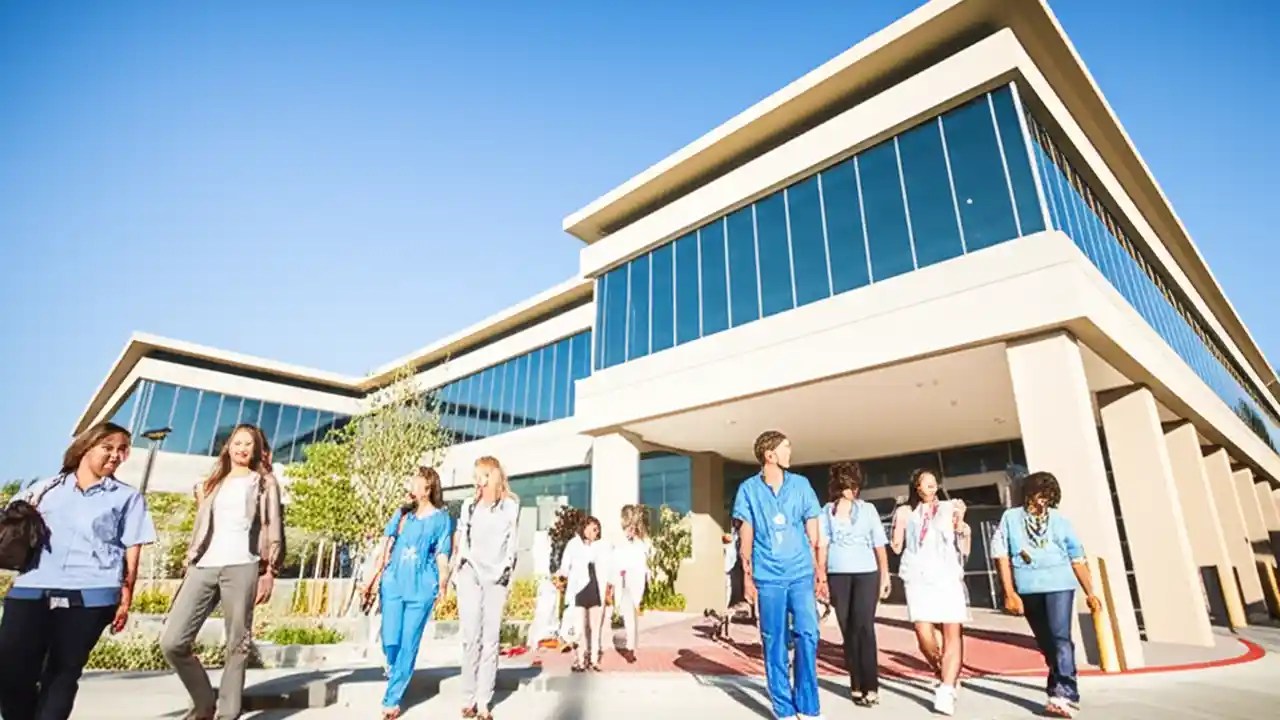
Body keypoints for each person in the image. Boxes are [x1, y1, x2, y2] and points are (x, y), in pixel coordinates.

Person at [0, 422, 157, 720]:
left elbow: (132, 547)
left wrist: (126, 594)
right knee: (10, 669)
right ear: (86, 447)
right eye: (107, 447)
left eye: (122, 449)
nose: (115, 455)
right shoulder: (45, 488)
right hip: (32, 587)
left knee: (61, 673)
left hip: (91, 594)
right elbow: (11, 523)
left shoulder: (127, 498)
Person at [161, 423, 284, 720]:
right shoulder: (213, 483)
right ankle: (204, 702)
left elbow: (273, 527)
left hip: (242, 565)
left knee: (237, 644)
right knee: (172, 641)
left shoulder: (264, 482)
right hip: (204, 565)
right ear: (228, 446)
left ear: (256, 450)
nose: (242, 449)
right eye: (237, 443)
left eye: (248, 444)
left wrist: (270, 571)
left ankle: (228, 714)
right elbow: (202, 527)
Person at [990, 471, 1101, 719]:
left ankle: (1064, 694)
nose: (1043, 501)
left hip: (1060, 583)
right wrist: (1009, 592)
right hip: (1028, 587)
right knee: (1047, 641)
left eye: (1049, 496)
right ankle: (1058, 687)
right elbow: (1001, 555)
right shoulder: (1011, 518)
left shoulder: (1061, 521)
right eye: (1039, 495)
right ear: (1028, 493)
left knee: (1061, 636)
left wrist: (1090, 592)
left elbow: (1077, 557)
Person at [732, 430, 824, 720]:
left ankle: (808, 706)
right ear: (769, 455)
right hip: (768, 575)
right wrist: (747, 577)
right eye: (785, 448)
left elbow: (814, 530)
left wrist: (819, 568)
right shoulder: (748, 490)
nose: (790, 452)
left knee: (808, 633)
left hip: (800, 573)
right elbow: (745, 533)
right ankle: (783, 708)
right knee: (774, 639)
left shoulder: (801, 485)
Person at [359, 466, 453, 720]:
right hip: (393, 583)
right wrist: (368, 580)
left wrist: (443, 579)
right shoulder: (402, 514)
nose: (410, 486)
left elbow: (443, 553)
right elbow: (384, 548)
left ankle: (392, 699)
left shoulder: (442, 519)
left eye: (416, 481)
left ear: (428, 487)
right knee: (391, 638)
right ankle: (394, 667)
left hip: (422, 586)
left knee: (409, 641)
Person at [890, 469, 971, 716]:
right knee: (923, 632)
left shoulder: (951, 507)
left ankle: (946, 689)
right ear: (916, 487)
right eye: (927, 484)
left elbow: (963, 541)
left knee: (951, 632)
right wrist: (894, 531)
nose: (932, 487)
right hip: (918, 576)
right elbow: (896, 546)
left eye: (934, 483)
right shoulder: (906, 512)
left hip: (947, 575)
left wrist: (962, 525)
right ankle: (942, 670)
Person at [817, 461, 890, 707]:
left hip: (866, 573)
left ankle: (872, 685)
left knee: (864, 627)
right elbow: (822, 546)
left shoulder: (867, 510)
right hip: (838, 574)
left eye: (855, 485)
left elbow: (879, 544)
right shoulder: (825, 511)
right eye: (847, 485)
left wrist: (885, 575)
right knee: (847, 629)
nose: (852, 490)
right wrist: (821, 576)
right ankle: (856, 684)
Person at [452, 457, 520, 720]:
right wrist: (458, 568)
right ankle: (467, 698)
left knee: (491, 640)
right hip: (470, 573)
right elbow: (462, 535)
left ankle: (483, 702)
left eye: (481, 474)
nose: (476, 479)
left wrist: (506, 571)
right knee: (471, 638)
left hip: (496, 576)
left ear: (492, 475)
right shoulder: (469, 505)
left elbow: (512, 540)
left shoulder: (509, 506)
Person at [556, 515, 611, 672]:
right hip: (579, 589)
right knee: (580, 627)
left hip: (594, 587)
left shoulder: (599, 546)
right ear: (585, 527)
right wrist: (561, 578)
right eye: (593, 529)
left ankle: (594, 660)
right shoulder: (574, 545)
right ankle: (580, 659)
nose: (595, 533)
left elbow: (606, 564)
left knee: (595, 627)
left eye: (597, 530)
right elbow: (565, 566)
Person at [612, 504, 651, 663]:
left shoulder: (640, 541)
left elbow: (644, 557)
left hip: (636, 577)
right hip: (625, 578)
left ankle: (631, 646)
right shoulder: (621, 540)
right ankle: (630, 648)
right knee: (628, 612)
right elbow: (616, 558)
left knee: (632, 612)